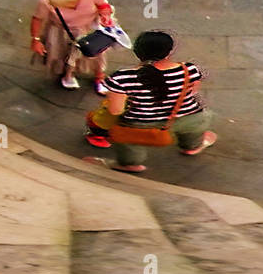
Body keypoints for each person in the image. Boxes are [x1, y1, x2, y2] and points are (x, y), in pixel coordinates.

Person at [89, 30, 214, 173]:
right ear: (169, 52)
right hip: (189, 116)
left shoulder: (122, 78)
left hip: (141, 123)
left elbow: (116, 110)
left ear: (137, 52)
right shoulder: (190, 69)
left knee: (127, 138)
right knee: (195, 126)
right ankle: (192, 147)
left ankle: (130, 163)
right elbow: (193, 91)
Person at [28, 0, 120, 90]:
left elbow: (103, 6)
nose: (72, 7)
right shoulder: (46, 1)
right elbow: (37, 19)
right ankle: (68, 75)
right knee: (64, 55)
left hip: (90, 28)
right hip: (63, 32)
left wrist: (105, 16)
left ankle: (99, 76)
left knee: (96, 53)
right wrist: (36, 39)